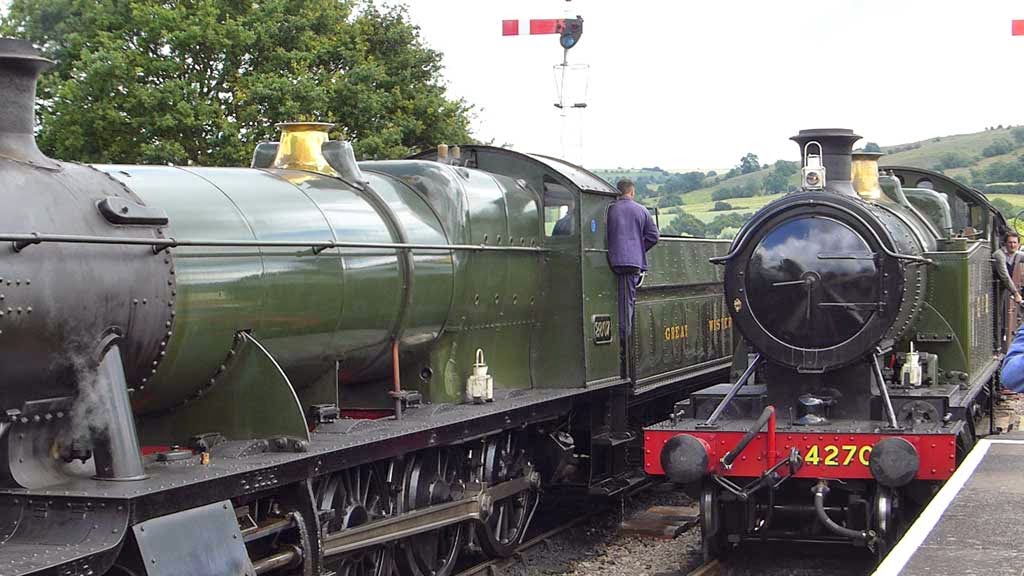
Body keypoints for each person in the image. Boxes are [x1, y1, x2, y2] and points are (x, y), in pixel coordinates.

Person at [607, 178, 659, 343]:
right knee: (627, 302)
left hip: (611, 261)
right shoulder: (641, 210)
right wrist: (639, 248)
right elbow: (654, 236)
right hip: (633, 263)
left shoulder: (609, 210)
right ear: (632, 192)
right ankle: (624, 339)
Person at [994, 230, 1024, 351]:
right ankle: (996, 347)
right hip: (993, 289)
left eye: (1015, 243)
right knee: (996, 316)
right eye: (1010, 242)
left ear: (1018, 244)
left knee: (1002, 316)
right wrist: (1016, 293)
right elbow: (1004, 275)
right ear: (1005, 243)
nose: (1012, 245)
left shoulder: (1017, 255)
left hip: (1004, 288)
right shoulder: (999, 255)